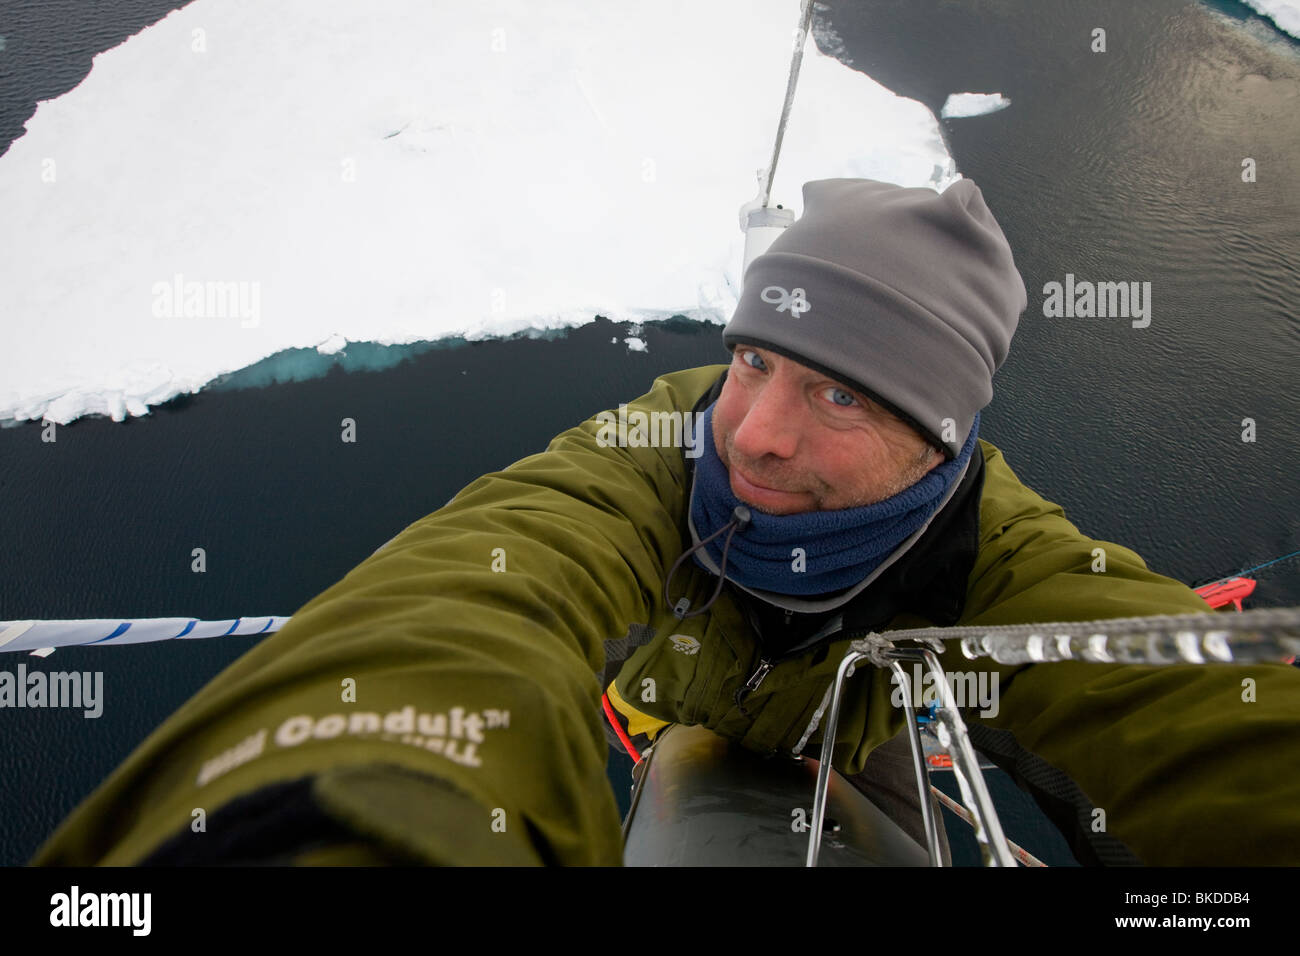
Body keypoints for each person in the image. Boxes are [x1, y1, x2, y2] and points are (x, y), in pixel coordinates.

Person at [32, 179, 1299, 866]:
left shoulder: (995, 549)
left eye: (838, 392)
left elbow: (1156, 688)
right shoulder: (656, 443)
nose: (751, 431)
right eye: (751, 357)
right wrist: (354, 794)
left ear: (939, 437)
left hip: (837, 743)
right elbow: (500, 574)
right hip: (670, 707)